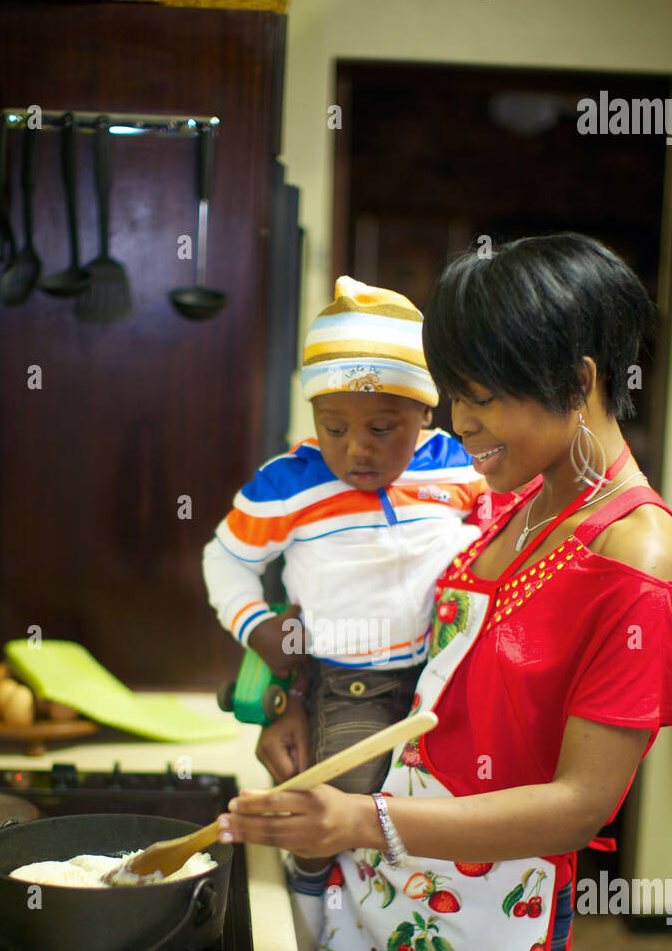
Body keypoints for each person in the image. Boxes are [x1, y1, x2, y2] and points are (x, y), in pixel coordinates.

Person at [216, 234, 672, 951]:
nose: (460, 424)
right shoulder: (519, 497)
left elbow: (576, 806)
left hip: (487, 903)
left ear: (574, 381)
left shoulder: (635, 557)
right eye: (455, 393)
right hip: (398, 869)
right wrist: (282, 694)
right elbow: (356, 597)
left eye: (479, 397)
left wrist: (361, 825)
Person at [203, 275, 488, 904]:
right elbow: (223, 558)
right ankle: (306, 904)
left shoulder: (459, 466)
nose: (356, 449)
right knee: (340, 804)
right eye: (333, 427)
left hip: (445, 683)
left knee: (430, 834)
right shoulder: (289, 485)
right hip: (352, 687)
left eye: (383, 428)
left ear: (426, 412)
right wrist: (255, 625)